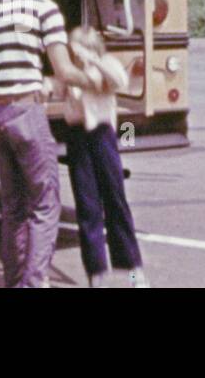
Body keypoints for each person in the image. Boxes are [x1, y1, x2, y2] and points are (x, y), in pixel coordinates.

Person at [0, 0, 92, 288]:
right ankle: (33, 283)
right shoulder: (44, 9)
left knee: (13, 207)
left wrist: (34, 78)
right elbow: (65, 69)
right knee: (45, 205)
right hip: (25, 112)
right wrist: (101, 78)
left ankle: (15, 282)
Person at [61, 26, 149, 288]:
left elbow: (120, 80)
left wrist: (93, 60)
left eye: (78, 47)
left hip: (102, 136)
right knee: (87, 207)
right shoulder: (71, 73)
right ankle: (96, 274)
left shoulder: (106, 63)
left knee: (115, 202)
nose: (74, 53)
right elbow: (59, 89)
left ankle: (135, 273)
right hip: (78, 138)